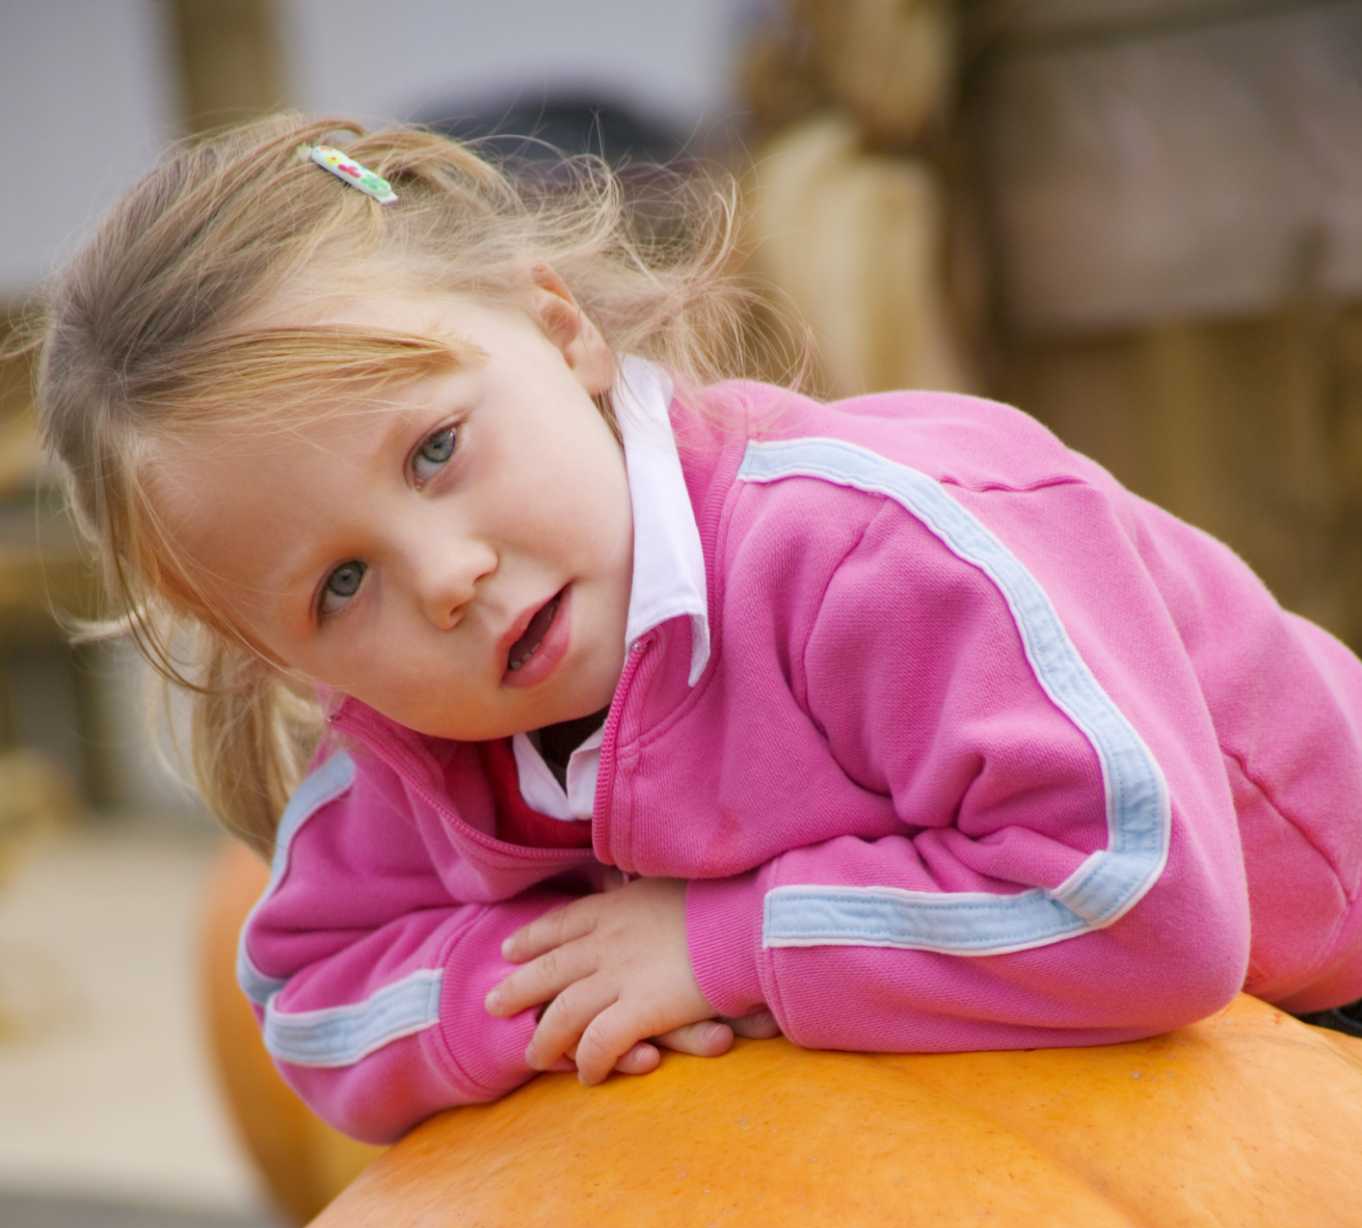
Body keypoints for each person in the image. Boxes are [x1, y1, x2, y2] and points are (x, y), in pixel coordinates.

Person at [33, 115, 1362, 1143]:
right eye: (336, 586)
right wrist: (532, 983)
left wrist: (715, 946)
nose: (444, 576)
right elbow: (313, 1009)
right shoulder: (404, 743)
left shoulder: (873, 555)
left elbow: (1138, 907)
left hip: (1322, 1001)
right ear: (273, 656)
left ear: (558, 332)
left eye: (436, 450)